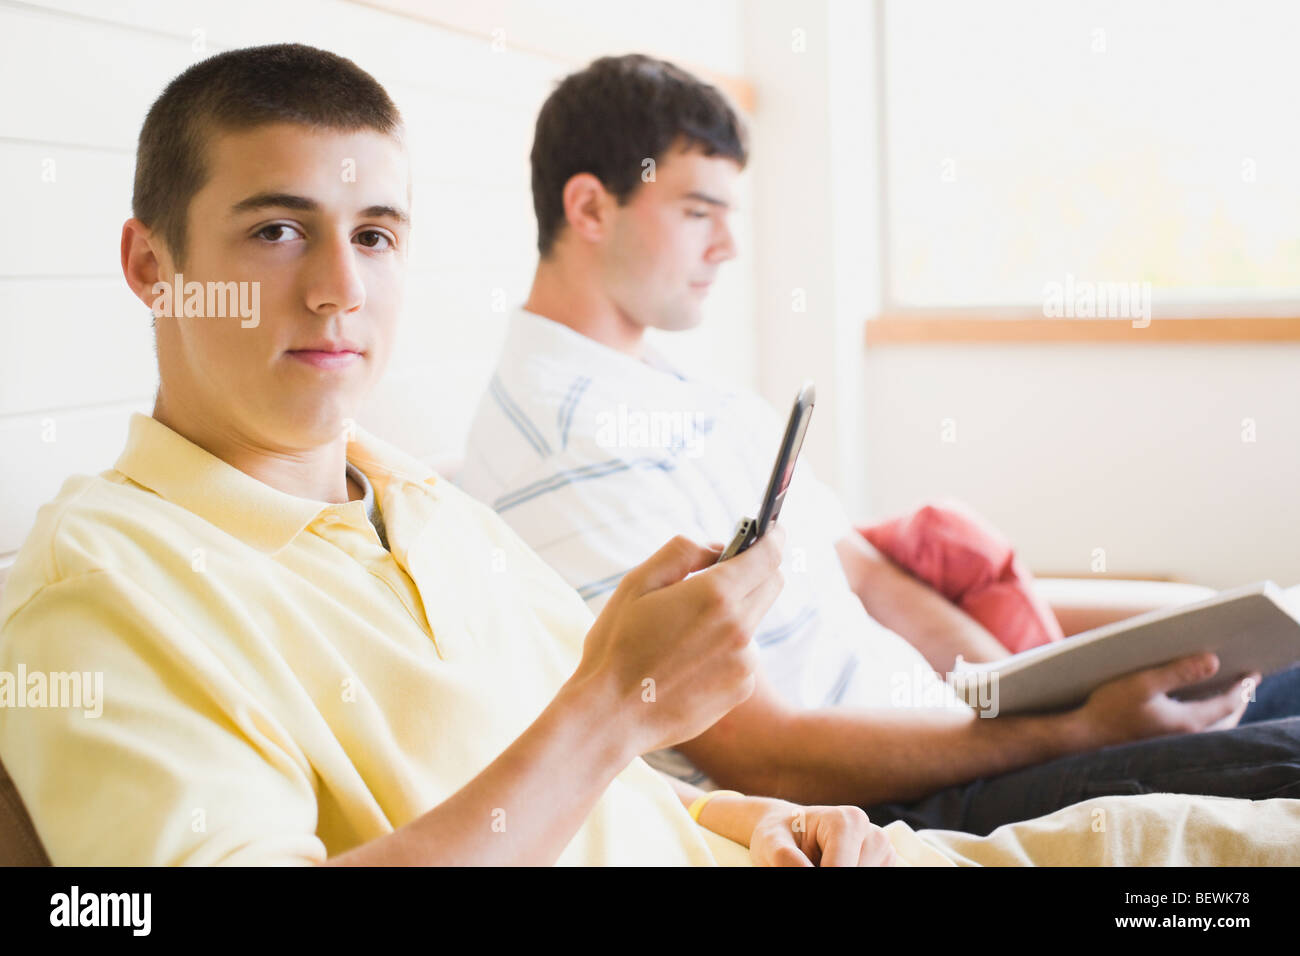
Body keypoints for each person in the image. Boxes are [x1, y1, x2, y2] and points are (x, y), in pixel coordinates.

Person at [0, 43, 902, 867]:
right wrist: (619, 699)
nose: (339, 291)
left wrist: (751, 819)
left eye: (374, 236)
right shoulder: (100, 588)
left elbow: (589, 787)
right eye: (278, 230)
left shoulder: (429, 504)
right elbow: (589, 739)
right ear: (152, 267)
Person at [456, 53, 1300, 835]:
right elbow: (764, 753)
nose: (728, 246)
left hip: (966, 733)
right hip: (901, 801)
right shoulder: (564, 446)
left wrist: (1025, 687)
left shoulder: (679, 388)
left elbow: (860, 570)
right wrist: (1072, 733)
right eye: (696, 211)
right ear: (590, 207)